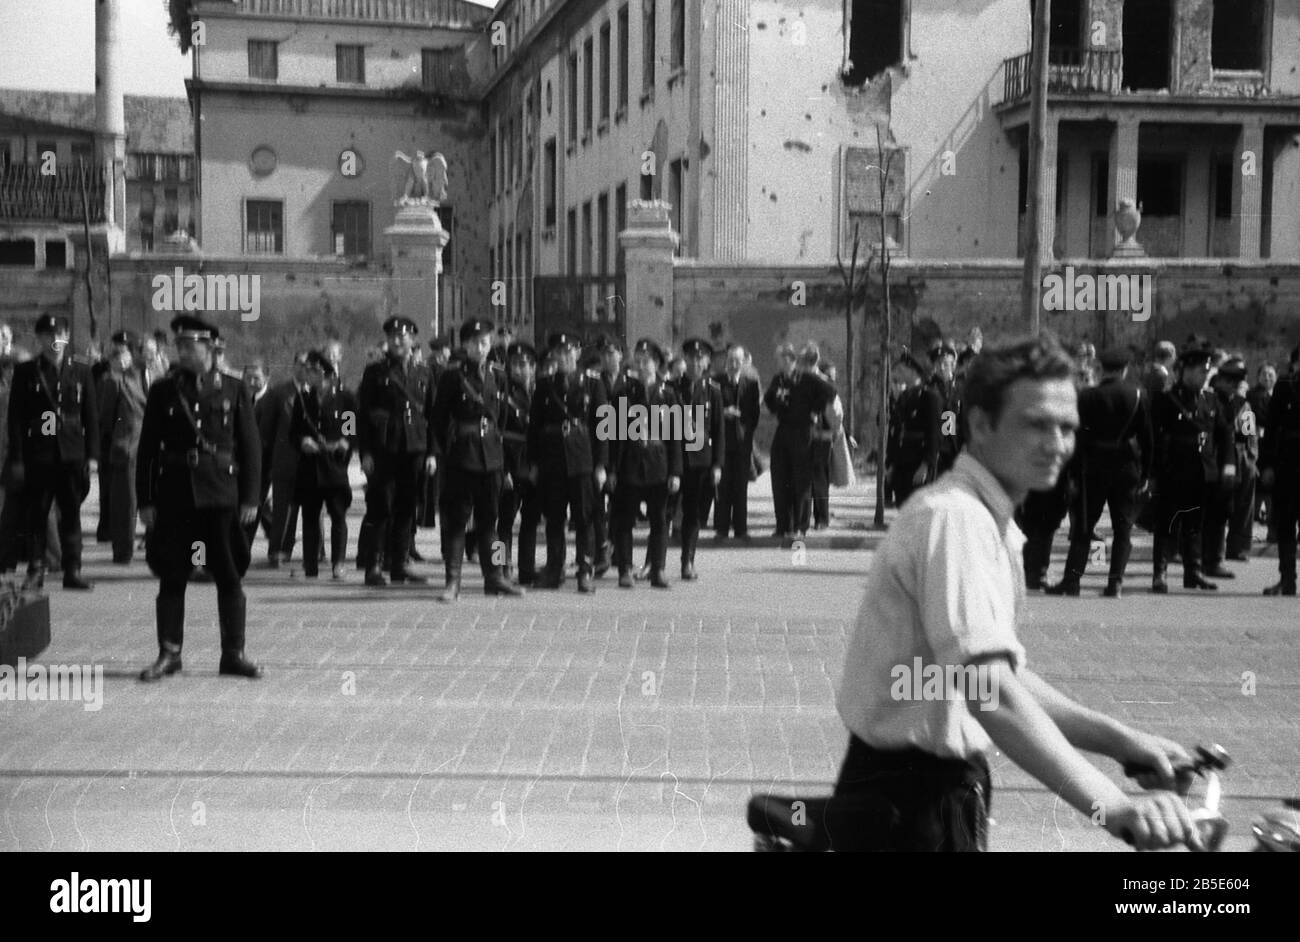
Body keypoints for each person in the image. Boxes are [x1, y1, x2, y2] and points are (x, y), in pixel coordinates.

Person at [832, 335, 1204, 851]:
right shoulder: (956, 520)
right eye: (1036, 424)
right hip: (906, 804)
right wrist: (1113, 807)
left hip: (931, 791)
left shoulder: (986, 518)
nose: (1056, 442)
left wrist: (1123, 743)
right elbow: (993, 694)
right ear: (981, 424)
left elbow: (1000, 676)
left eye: (1067, 426)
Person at [136, 315, 262, 681]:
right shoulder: (164, 390)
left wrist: (251, 497)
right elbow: (147, 450)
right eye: (179, 345)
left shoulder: (235, 390)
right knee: (172, 576)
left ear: (211, 348)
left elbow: (251, 448)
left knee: (229, 575)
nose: (182, 351)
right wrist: (145, 500)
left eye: (189, 345)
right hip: (176, 496)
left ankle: (233, 654)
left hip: (221, 495)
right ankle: (169, 653)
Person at [1046, 346, 1151, 598]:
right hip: (1126, 467)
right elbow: (1148, 439)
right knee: (1122, 528)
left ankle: (1072, 580)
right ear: (1125, 369)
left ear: (1100, 369)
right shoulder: (1138, 395)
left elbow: (1077, 437)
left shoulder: (1087, 397)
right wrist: (1146, 474)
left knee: (1084, 526)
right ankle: (1115, 582)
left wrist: (1071, 474)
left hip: (1092, 468)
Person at [430, 318, 520, 600]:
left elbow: (501, 420)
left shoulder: (499, 376)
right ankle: (453, 581)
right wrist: (437, 454)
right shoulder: (452, 377)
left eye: (485, 342)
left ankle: (494, 577)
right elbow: (437, 419)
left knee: (490, 521)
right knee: (458, 521)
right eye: (475, 343)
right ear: (466, 345)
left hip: (491, 457)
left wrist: (502, 457)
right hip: (462, 456)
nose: (481, 348)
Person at [7, 314, 99, 590]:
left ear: (67, 337)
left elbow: (90, 416)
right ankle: (36, 569)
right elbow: (16, 419)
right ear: (39, 338)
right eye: (48, 335)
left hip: (71, 454)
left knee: (71, 514)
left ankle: (73, 569)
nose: (54, 341)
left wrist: (93, 457)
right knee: (37, 514)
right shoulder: (26, 371)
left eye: (60, 334)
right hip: (39, 455)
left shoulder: (81, 370)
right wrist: (18, 459)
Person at [357, 317, 437, 587]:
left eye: (404, 336)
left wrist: (432, 454)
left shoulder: (423, 373)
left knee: (406, 508)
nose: (398, 340)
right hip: (384, 449)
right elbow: (362, 416)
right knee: (380, 508)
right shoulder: (375, 373)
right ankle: (374, 565)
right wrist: (365, 453)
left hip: (414, 448)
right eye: (393, 336)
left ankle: (400, 563)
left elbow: (433, 416)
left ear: (413, 340)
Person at [1149, 342, 1235, 593]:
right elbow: (1153, 438)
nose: (1203, 376)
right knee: (1167, 524)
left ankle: (1193, 572)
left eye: (1205, 372)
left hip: (1202, 472)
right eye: (1199, 371)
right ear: (1184, 371)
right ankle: (1160, 573)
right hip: (1173, 470)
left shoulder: (1210, 400)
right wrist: (1153, 473)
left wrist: (1228, 464)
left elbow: (1225, 434)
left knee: (1195, 524)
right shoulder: (1166, 400)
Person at [527, 331, 608, 593]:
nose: (563, 357)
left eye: (568, 351)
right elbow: (535, 427)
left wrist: (601, 465)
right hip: (552, 459)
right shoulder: (544, 385)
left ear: (577, 353)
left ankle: (585, 569)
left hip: (582, 458)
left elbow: (603, 428)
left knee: (584, 517)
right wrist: (534, 462)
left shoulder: (593, 384)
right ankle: (554, 569)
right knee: (554, 517)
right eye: (558, 353)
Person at [610, 339, 680, 589]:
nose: (640, 365)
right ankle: (625, 569)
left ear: (657, 364)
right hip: (629, 463)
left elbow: (677, 437)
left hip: (658, 464)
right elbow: (613, 435)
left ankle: (658, 570)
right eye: (637, 360)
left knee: (659, 520)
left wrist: (675, 472)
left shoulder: (669, 394)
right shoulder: (624, 392)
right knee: (624, 519)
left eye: (646, 360)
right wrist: (611, 469)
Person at [289, 351, 355, 579]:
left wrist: (345, 443)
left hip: (334, 466)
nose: (308, 375)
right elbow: (293, 432)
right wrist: (302, 441)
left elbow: (351, 429)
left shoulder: (344, 397)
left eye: (312, 371)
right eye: (307, 371)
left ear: (325, 374)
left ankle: (338, 563)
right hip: (310, 467)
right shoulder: (303, 398)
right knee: (309, 517)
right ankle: (310, 565)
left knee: (338, 515)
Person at [97, 331, 150, 564]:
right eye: (144, 352)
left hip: (154, 451)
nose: (149, 356)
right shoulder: (115, 381)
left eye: (153, 352)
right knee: (125, 504)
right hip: (127, 449)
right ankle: (123, 551)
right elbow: (106, 419)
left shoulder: (160, 379)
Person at [1202, 357, 1256, 573]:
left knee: (1242, 505)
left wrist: (1251, 460)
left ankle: (1238, 547)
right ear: (1220, 379)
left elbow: (1250, 434)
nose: (1234, 385)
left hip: (1240, 457)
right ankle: (1209, 554)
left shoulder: (1243, 403)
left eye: (1237, 381)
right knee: (1214, 509)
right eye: (1230, 380)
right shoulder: (1208, 400)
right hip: (1216, 458)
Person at [675, 338, 723, 579]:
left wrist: (717, 465)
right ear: (684, 360)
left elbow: (718, 430)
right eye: (690, 358)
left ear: (706, 362)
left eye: (699, 358)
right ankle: (655, 563)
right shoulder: (672, 388)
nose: (694, 363)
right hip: (675, 459)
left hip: (700, 461)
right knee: (664, 512)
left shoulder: (713, 391)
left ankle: (688, 560)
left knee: (693, 513)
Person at [498, 341, 541, 585]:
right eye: (514, 364)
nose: (518, 369)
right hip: (509, 464)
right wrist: (503, 469)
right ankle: (499, 567)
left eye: (524, 364)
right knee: (503, 521)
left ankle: (526, 568)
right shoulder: (502, 392)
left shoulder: (541, 391)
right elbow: (498, 433)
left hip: (532, 464)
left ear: (533, 367)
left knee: (531, 520)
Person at [259, 352, 308, 568]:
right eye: (301, 364)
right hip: (285, 460)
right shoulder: (279, 393)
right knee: (283, 508)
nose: (305, 368)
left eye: (310, 365)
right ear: (294, 365)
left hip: (311, 462)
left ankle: (312, 552)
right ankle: (277, 550)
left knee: (309, 510)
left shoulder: (321, 392)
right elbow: (266, 431)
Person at [1260, 345, 1300, 595]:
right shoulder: (1285, 389)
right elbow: (1271, 429)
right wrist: (1266, 465)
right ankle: (1287, 578)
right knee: (1285, 525)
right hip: (1285, 466)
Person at [714, 344, 760, 541]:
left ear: (743, 362)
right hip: (723, 442)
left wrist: (743, 422)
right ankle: (721, 529)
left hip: (742, 442)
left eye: (737, 361)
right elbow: (712, 411)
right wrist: (724, 413)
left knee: (740, 486)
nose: (733, 364)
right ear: (726, 361)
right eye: (731, 360)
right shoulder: (716, 382)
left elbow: (754, 415)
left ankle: (741, 529)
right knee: (723, 486)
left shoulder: (750, 383)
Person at [885, 350, 941, 507]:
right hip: (903, 461)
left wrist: (926, 465)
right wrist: (892, 464)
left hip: (918, 461)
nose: (899, 373)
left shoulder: (930, 397)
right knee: (902, 505)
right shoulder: (903, 397)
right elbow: (897, 432)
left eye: (903, 370)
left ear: (915, 372)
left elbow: (935, 434)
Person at [763, 344, 798, 539]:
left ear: (789, 359)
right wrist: (777, 409)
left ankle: (793, 525)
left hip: (797, 432)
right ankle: (781, 524)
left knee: (793, 481)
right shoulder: (778, 379)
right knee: (778, 479)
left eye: (779, 359)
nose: (777, 363)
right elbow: (769, 399)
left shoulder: (800, 378)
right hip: (782, 429)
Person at [928, 340, 961, 476]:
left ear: (953, 365)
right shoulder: (929, 387)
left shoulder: (960, 387)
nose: (942, 368)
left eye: (945, 364)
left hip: (956, 446)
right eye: (938, 364)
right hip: (937, 447)